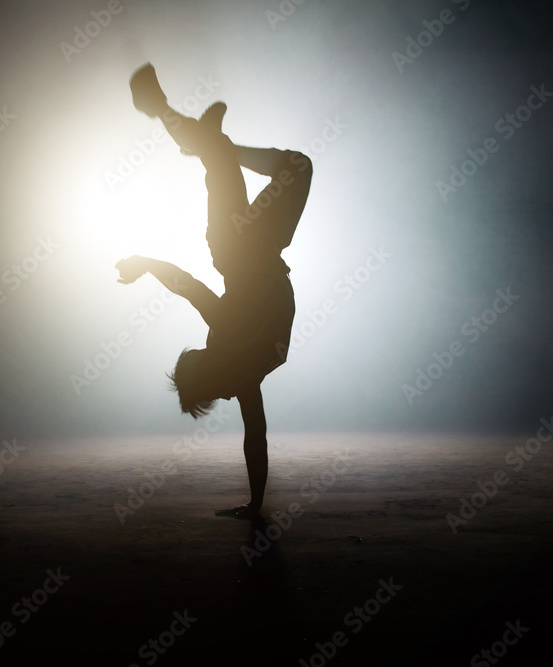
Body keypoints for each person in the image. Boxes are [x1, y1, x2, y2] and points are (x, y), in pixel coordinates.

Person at [116, 63, 313, 519]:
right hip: (258, 245)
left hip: (239, 246)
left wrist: (146, 264)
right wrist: (145, 265)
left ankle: (166, 113)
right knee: (283, 164)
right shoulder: (239, 373)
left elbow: (188, 287)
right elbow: (255, 439)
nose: (224, 397)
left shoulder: (236, 362)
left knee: (224, 158)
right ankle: (209, 139)